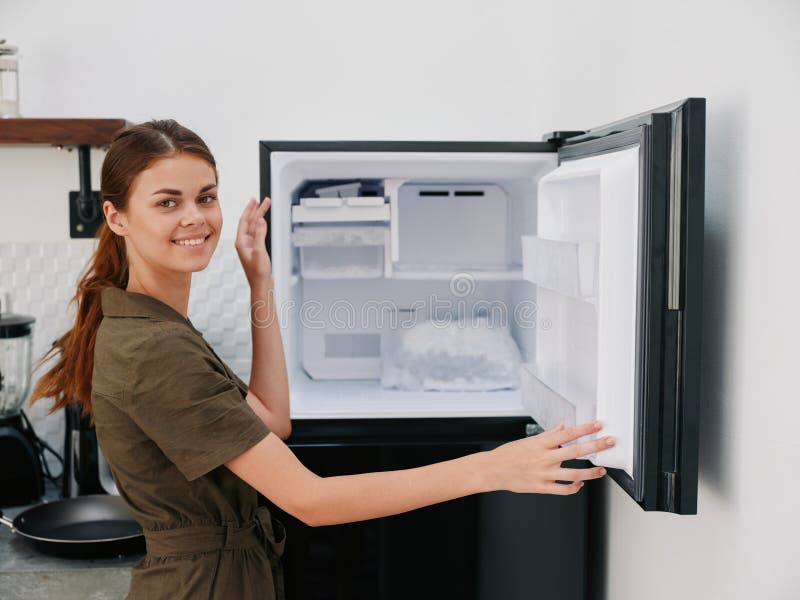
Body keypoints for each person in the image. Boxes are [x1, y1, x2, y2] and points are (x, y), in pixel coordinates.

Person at [29, 119, 614, 600]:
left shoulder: (157, 327)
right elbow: (312, 502)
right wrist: (490, 469)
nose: (195, 218)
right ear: (116, 218)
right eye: (168, 202)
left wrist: (260, 278)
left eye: (206, 197)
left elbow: (273, 421)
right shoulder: (154, 350)